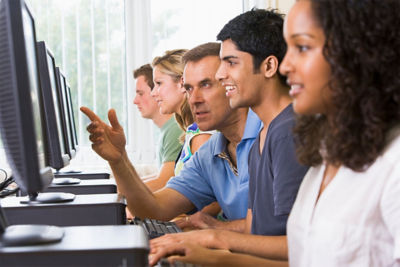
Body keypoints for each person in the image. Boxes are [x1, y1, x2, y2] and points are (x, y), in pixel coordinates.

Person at [149, 9, 308, 265]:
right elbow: (257, 231)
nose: (222, 74)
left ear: (268, 66)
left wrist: (215, 246)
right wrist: (209, 237)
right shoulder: (261, 138)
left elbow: (303, 249)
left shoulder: (288, 133)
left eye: (231, 62)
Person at [81, 42, 261, 225]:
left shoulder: (270, 135)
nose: (194, 99)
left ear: (233, 84)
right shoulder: (210, 151)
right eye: (189, 89)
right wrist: (119, 160)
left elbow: (269, 232)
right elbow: (155, 209)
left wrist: (213, 233)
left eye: (206, 85)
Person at [279, 0, 400, 266]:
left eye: (302, 47)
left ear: (355, 52)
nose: (284, 66)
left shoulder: (394, 165)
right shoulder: (325, 158)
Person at [150, 49, 218, 215]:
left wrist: (181, 222)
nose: (154, 92)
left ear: (181, 84)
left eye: (159, 83)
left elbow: (215, 203)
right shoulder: (191, 132)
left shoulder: (201, 137)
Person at [132, 64, 181, 187]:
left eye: (141, 93)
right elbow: (160, 176)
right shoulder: (168, 129)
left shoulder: (175, 129)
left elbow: (164, 182)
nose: (135, 100)